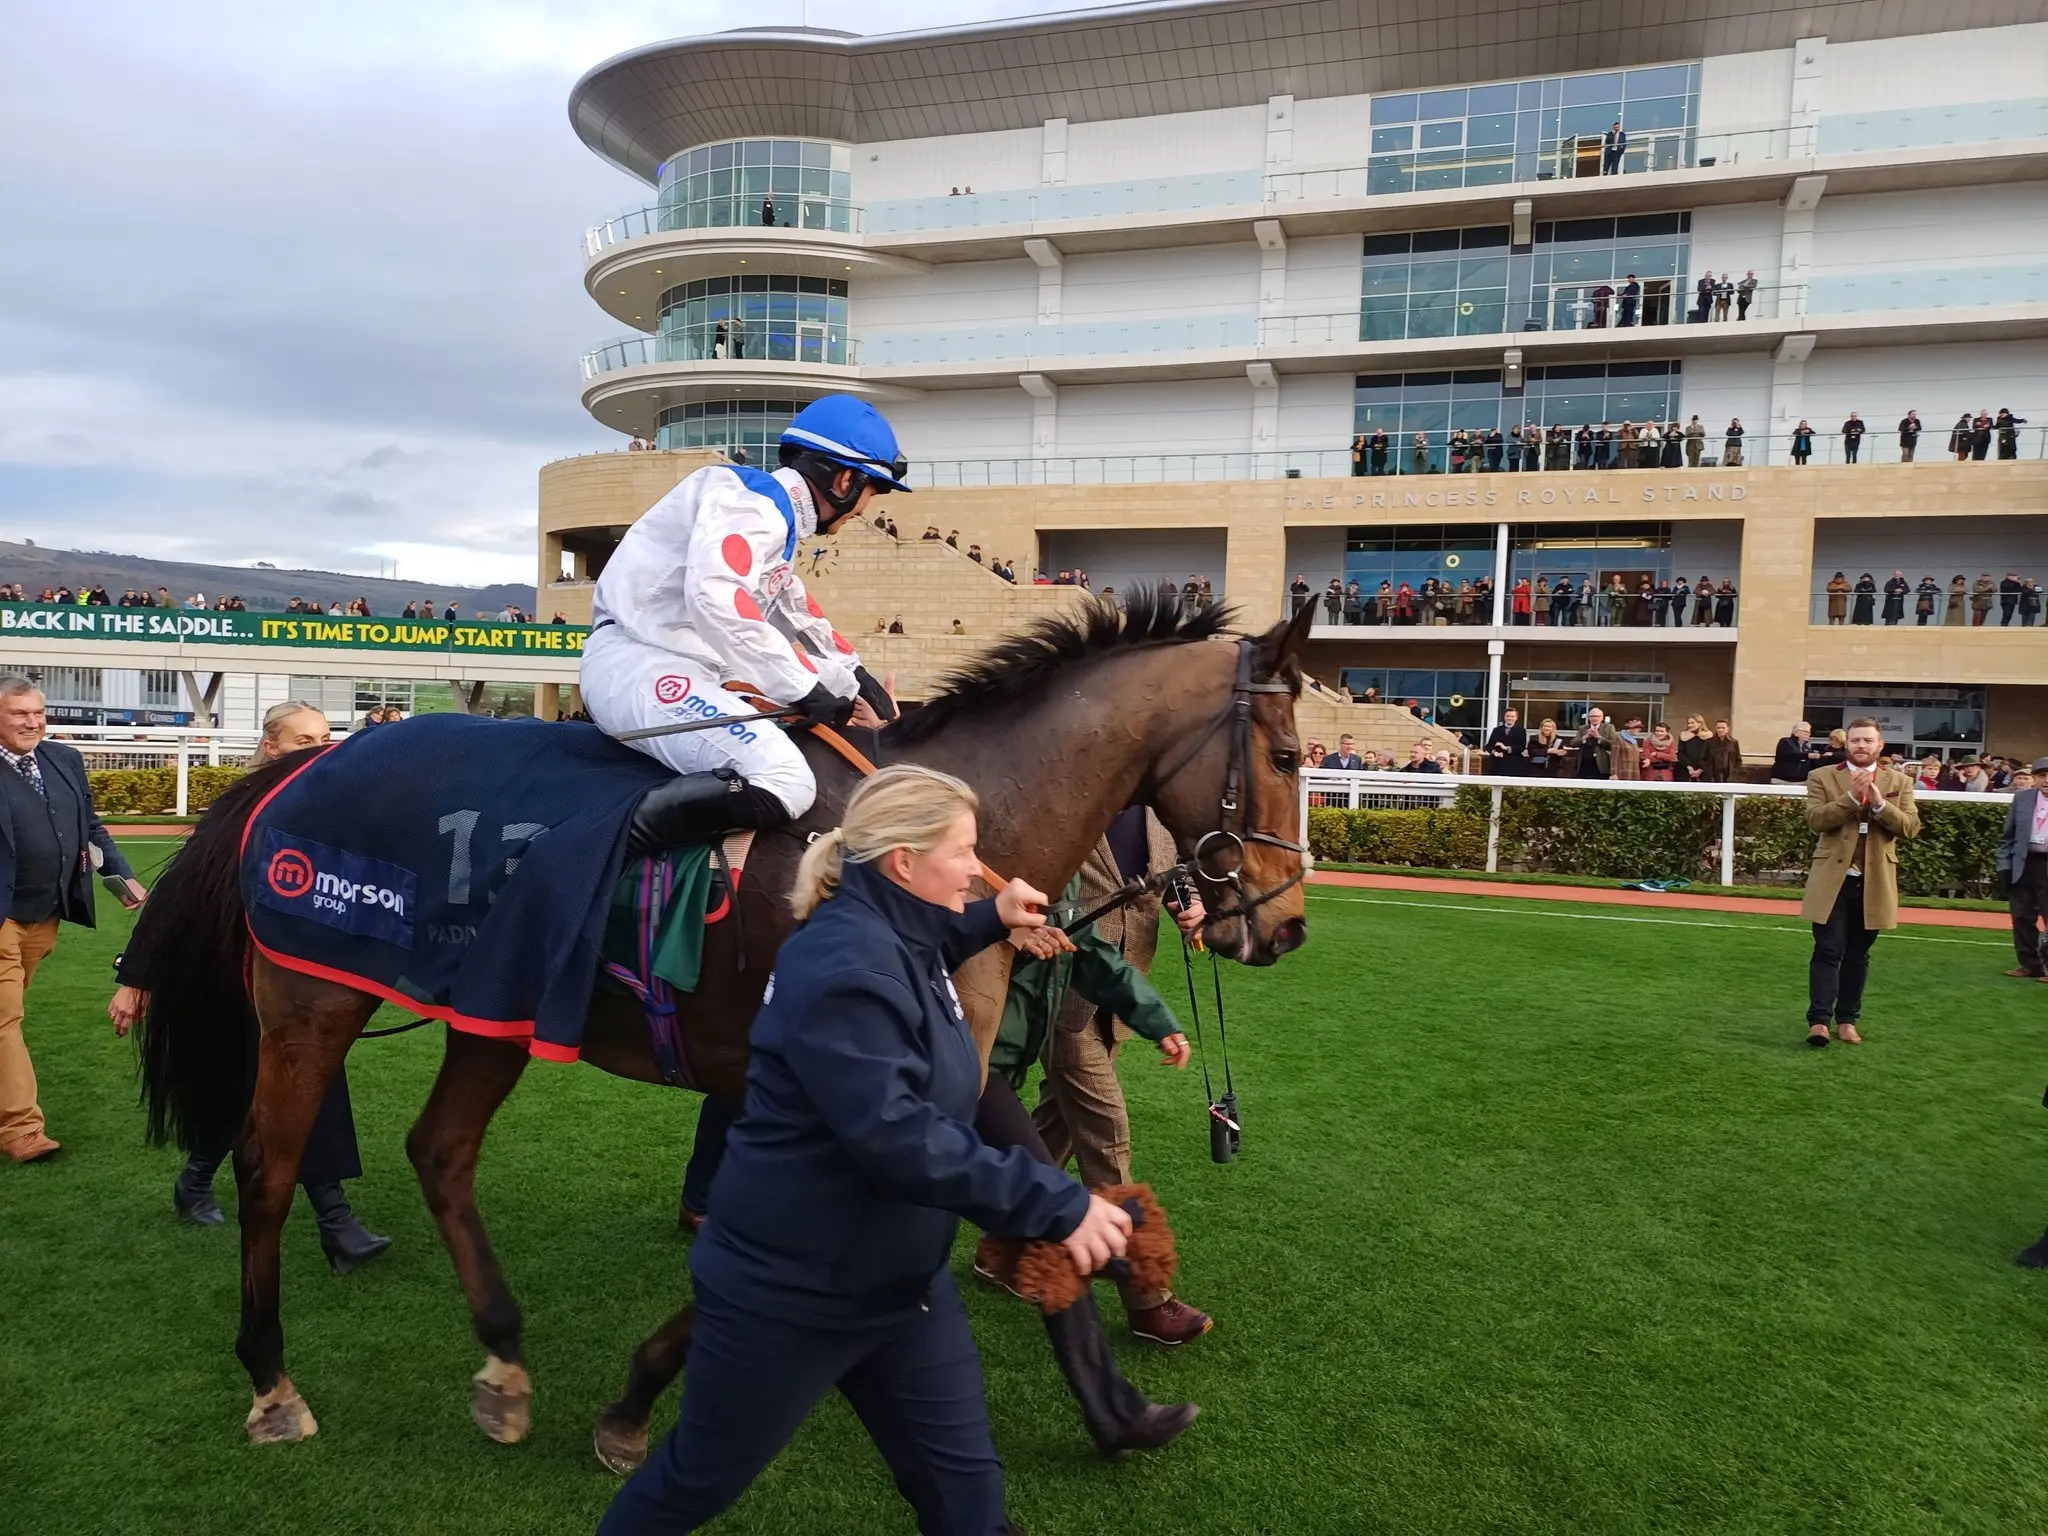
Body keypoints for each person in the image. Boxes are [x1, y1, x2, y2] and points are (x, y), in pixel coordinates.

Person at [602, 765, 1158, 1534]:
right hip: (789, 1296)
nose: (976, 866)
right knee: (694, 1484)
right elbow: (898, 1139)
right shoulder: (843, 966)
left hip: (901, 1289)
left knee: (968, 1502)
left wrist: (991, 916)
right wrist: (1058, 1202)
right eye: (964, 853)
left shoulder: (890, 928)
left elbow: (921, 945)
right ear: (904, 861)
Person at [107, 701, 391, 1265]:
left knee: (285, 1087)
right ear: (272, 746)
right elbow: (171, 899)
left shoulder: (332, 807)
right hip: (226, 978)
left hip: (296, 981)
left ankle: (215, 1186)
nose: (319, 747)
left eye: (326, 737)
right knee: (271, 1089)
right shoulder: (239, 811)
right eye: (303, 739)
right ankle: (334, 1221)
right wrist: (136, 980)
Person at [579, 395, 907, 855]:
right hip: (638, 665)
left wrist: (852, 676)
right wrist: (803, 689)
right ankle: (592, 855)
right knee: (787, 780)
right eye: (873, 492)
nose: (865, 509)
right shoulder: (751, 501)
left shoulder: (771, 516)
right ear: (846, 479)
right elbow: (717, 596)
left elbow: (791, 608)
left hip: (671, 664)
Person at [981, 808, 1213, 1347]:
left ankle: (1001, 1249)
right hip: (1062, 1000)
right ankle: (1148, 1301)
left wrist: (1187, 903)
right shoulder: (1074, 800)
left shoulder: (1157, 816)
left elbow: (1170, 872)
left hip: (1116, 994)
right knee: (1107, 1136)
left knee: (1055, 1125)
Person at [0, 678, 145, 1163]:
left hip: (45, 913)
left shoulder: (64, 760)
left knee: (9, 1012)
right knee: (5, 1021)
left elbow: (90, 828)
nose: (33, 722)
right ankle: (21, 1128)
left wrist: (118, 876)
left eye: (37, 712)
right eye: (19, 713)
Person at [1802, 720, 1920, 1046]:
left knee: (1857, 955)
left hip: (1875, 881)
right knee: (1828, 950)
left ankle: (1847, 1019)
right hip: (1832, 880)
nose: (1861, 745)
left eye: (1868, 740)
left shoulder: (1899, 781)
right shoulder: (1821, 776)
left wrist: (1881, 805)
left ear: (1880, 745)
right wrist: (1852, 799)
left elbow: (1910, 827)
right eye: (1855, 740)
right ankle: (1819, 1021)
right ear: (1846, 744)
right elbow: (1816, 819)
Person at [1998, 758, 2048, 980]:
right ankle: (2030, 964)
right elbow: (2007, 837)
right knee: (2021, 917)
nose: (2046, 780)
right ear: (2034, 778)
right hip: (2024, 864)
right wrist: (2004, 866)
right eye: (2041, 775)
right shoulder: (2022, 798)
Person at [1573, 707, 1617, 780]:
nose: (1594, 718)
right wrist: (1586, 737)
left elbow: (1613, 744)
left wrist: (1598, 737)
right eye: (1592, 716)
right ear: (1589, 718)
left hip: (1602, 765)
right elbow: (1573, 743)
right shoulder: (1582, 728)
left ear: (1602, 718)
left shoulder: (1609, 727)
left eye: (1597, 716)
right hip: (1584, 764)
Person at [1484, 708, 1527, 773]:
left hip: (1513, 764)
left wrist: (1506, 748)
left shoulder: (1521, 731)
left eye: (1512, 716)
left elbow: (1521, 747)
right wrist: (1494, 752)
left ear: (1516, 718)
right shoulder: (1497, 730)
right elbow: (1489, 746)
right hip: (1497, 763)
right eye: (1507, 716)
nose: (1509, 718)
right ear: (1504, 717)